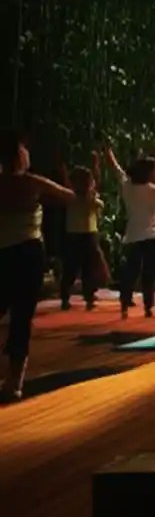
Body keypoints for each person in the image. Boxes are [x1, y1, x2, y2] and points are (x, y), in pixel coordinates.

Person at [0, 130, 77, 402]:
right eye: (25, 149)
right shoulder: (32, 182)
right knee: (22, 318)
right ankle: (14, 383)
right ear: (18, 155)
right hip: (27, 255)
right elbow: (69, 196)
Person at [106, 141, 155, 318]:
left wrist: (108, 152)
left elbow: (116, 169)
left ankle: (125, 303)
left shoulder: (128, 187)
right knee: (150, 275)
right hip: (153, 237)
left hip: (133, 237)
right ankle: (148, 307)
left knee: (131, 272)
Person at [58, 156, 106, 311]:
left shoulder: (70, 195)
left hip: (77, 234)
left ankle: (69, 296)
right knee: (85, 267)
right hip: (85, 234)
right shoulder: (83, 197)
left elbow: (94, 183)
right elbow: (98, 201)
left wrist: (95, 166)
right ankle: (86, 297)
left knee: (74, 267)